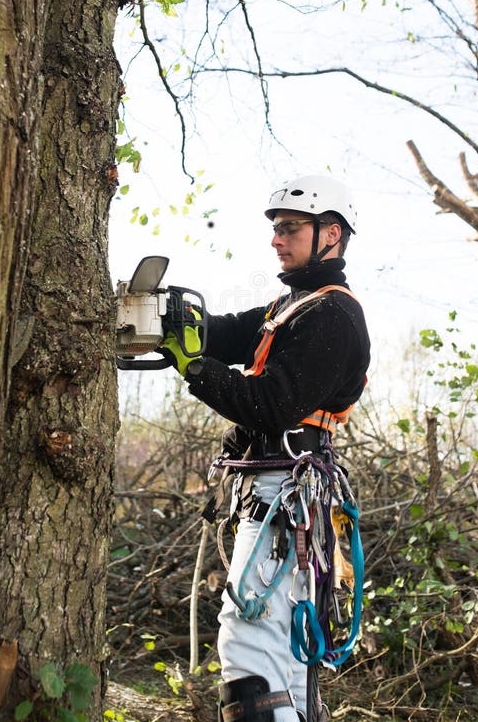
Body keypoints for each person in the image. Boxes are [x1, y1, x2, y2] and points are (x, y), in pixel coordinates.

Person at [160, 175, 370, 722]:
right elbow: (230, 333)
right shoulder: (295, 305)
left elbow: (270, 405)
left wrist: (196, 370)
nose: (277, 240)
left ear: (331, 233)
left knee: (250, 647)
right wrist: (174, 324)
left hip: (285, 496)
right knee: (282, 656)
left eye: (290, 229)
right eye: (276, 230)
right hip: (285, 499)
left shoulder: (333, 316)